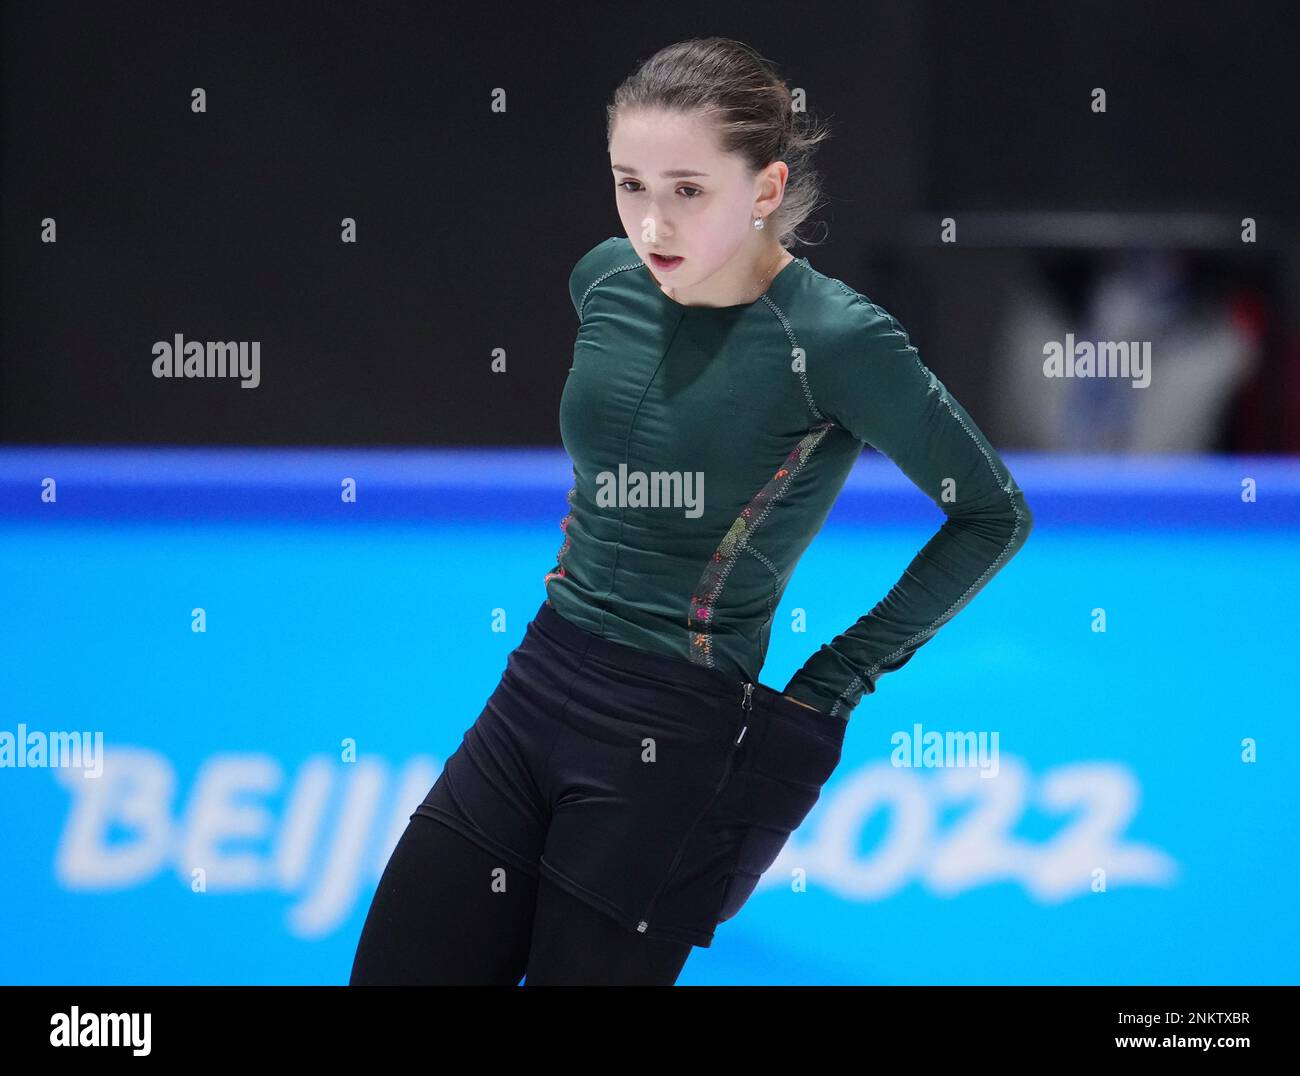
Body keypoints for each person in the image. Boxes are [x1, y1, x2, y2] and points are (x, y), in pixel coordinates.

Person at [349, 36, 1033, 987]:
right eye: (630, 184)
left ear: (765, 188)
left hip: (673, 739)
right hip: (535, 684)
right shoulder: (604, 281)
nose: (651, 222)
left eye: (687, 189)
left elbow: (993, 515)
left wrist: (835, 679)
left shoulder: (837, 339)